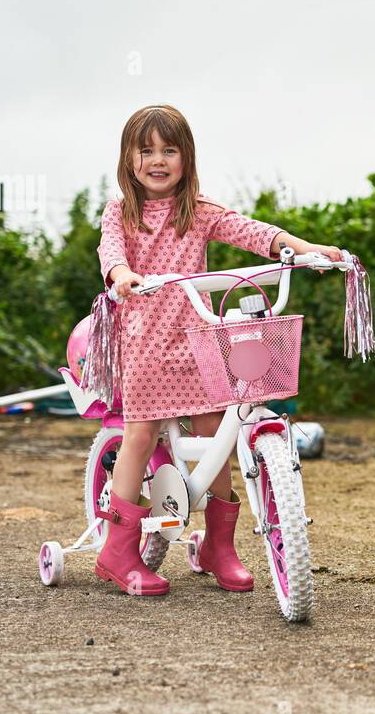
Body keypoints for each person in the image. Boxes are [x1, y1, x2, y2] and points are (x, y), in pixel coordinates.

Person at [96, 104, 342, 596]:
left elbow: (252, 231)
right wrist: (122, 276)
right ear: (129, 159)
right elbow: (111, 252)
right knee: (140, 433)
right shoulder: (120, 211)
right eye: (146, 151)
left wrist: (304, 250)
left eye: (170, 150)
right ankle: (116, 552)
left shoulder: (200, 211)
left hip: (198, 334)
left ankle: (218, 546)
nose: (158, 160)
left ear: (187, 158)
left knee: (216, 433)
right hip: (144, 336)